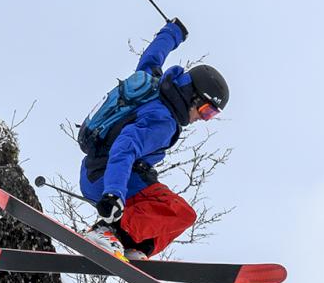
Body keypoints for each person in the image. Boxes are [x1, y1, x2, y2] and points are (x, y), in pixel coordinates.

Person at [77, 18, 229, 259]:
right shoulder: (164, 120)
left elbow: (153, 56)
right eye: (206, 111)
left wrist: (173, 32)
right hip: (110, 179)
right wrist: (113, 194)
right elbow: (125, 146)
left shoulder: (153, 84)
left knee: (177, 211)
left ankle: (134, 246)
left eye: (211, 115)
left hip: (97, 172)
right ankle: (108, 232)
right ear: (194, 97)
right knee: (179, 214)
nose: (203, 119)